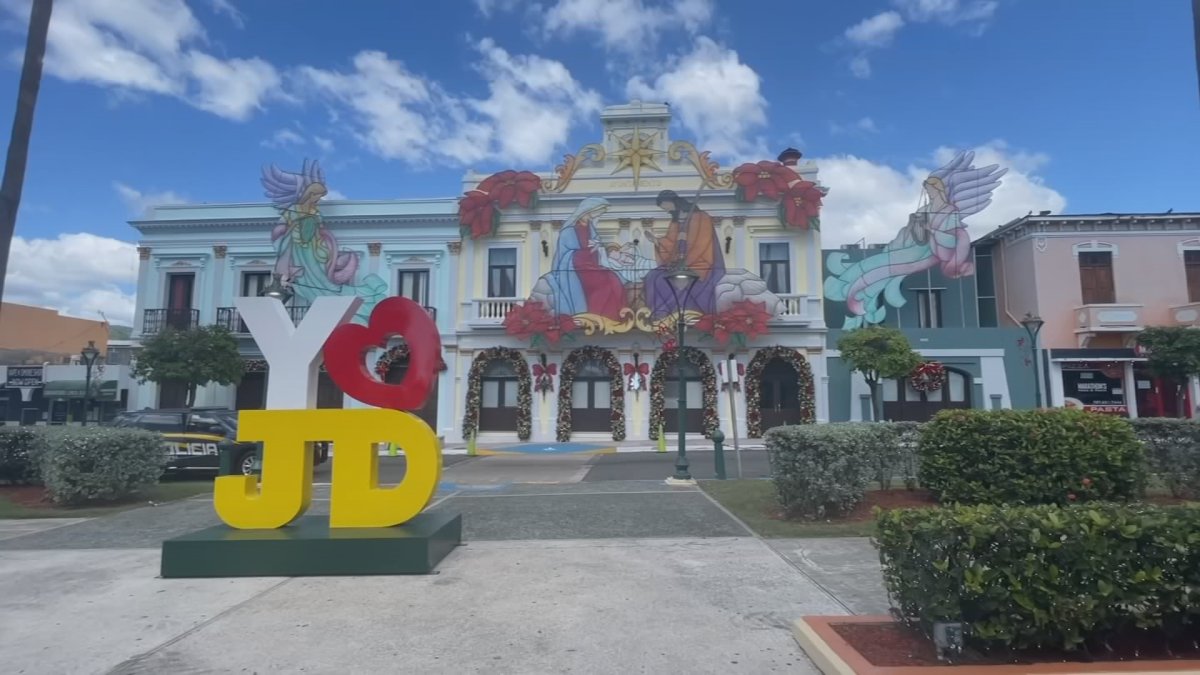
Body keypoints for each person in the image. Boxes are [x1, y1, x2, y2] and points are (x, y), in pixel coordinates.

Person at [643, 190, 725, 319]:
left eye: (664, 206)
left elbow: (702, 244)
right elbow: (670, 242)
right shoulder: (676, 220)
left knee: (668, 281)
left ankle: (670, 313)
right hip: (677, 261)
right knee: (653, 276)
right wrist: (658, 242)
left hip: (699, 262)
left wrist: (685, 252)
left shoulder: (701, 217)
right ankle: (658, 314)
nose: (665, 209)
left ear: (670, 201)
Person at [545, 197, 625, 319]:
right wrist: (591, 249)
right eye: (595, 213)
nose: (595, 216)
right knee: (605, 283)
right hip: (575, 269)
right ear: (586, 211)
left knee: (612, 277)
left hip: (590, 266)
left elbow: (595, 249)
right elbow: (569, 255)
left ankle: (612, 315)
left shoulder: (591, 229)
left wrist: (597, 247)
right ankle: (597, 315)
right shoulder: (569, 231)